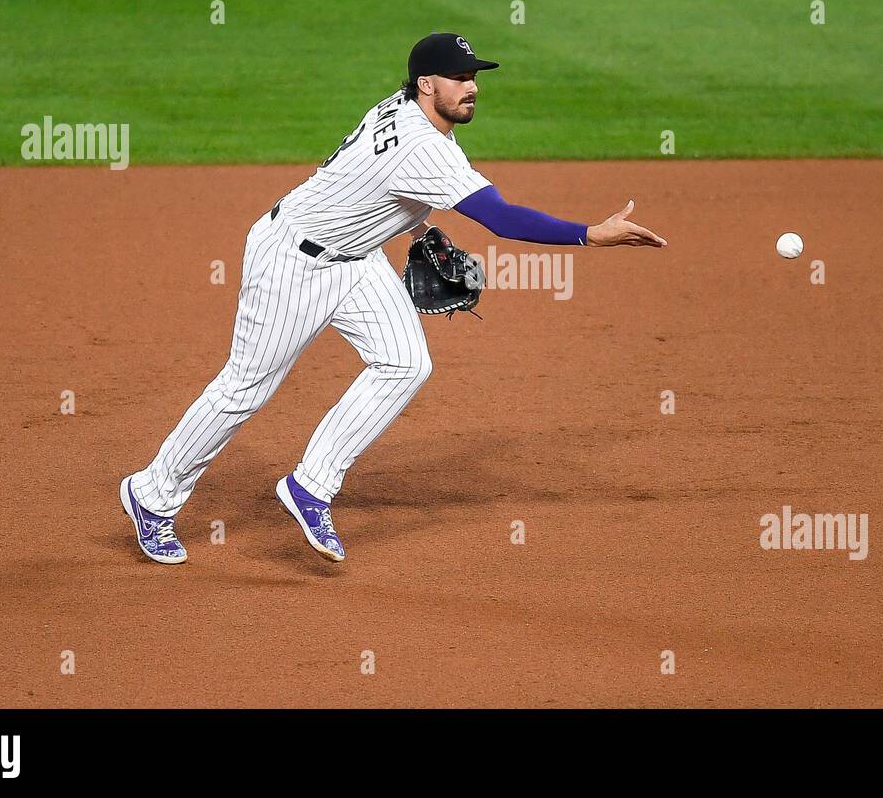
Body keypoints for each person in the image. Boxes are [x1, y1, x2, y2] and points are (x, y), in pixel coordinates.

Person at [120, 32, 666, 565]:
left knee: (405, 363)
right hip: (292, 261)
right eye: (459, 79)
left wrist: (418, 230)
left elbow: (379, 184)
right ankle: (152, 495)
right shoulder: (425, 146)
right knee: (245, 389)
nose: (471, 88)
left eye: (474, 77)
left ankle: (309, 487)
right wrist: (590, 234)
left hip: (354, 258)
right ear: (427, 84)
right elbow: (501, 219)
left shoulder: (406, 108)